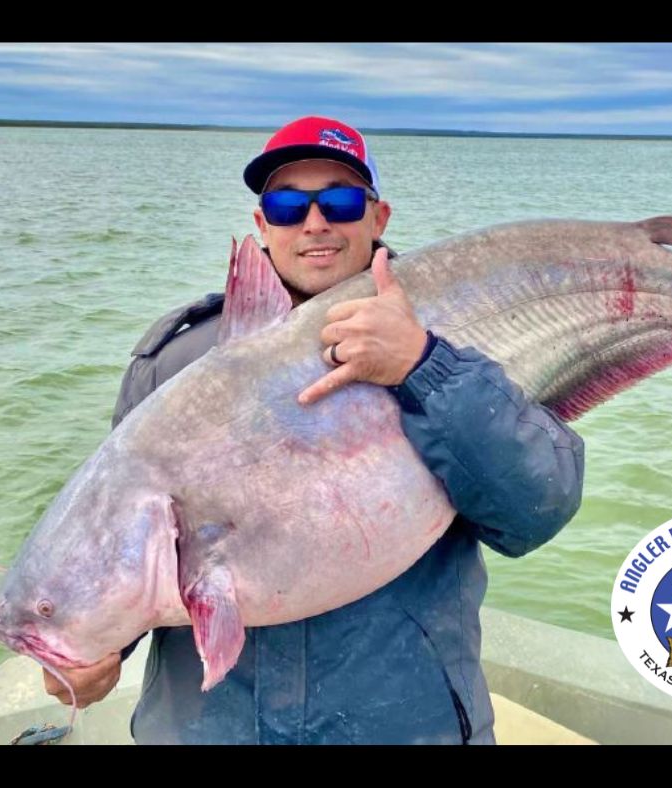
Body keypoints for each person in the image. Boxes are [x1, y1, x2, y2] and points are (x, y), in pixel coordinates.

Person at [43, 115, 585, 744]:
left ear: (378, 219)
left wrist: (423, 366)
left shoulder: (462, 335)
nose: (316, 222)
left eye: (341, 200)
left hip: (404, 724)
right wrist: (90, 648)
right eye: (287, 204)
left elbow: (533, 513)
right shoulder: (175, 361)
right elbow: (121, 535)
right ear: (261, 225)